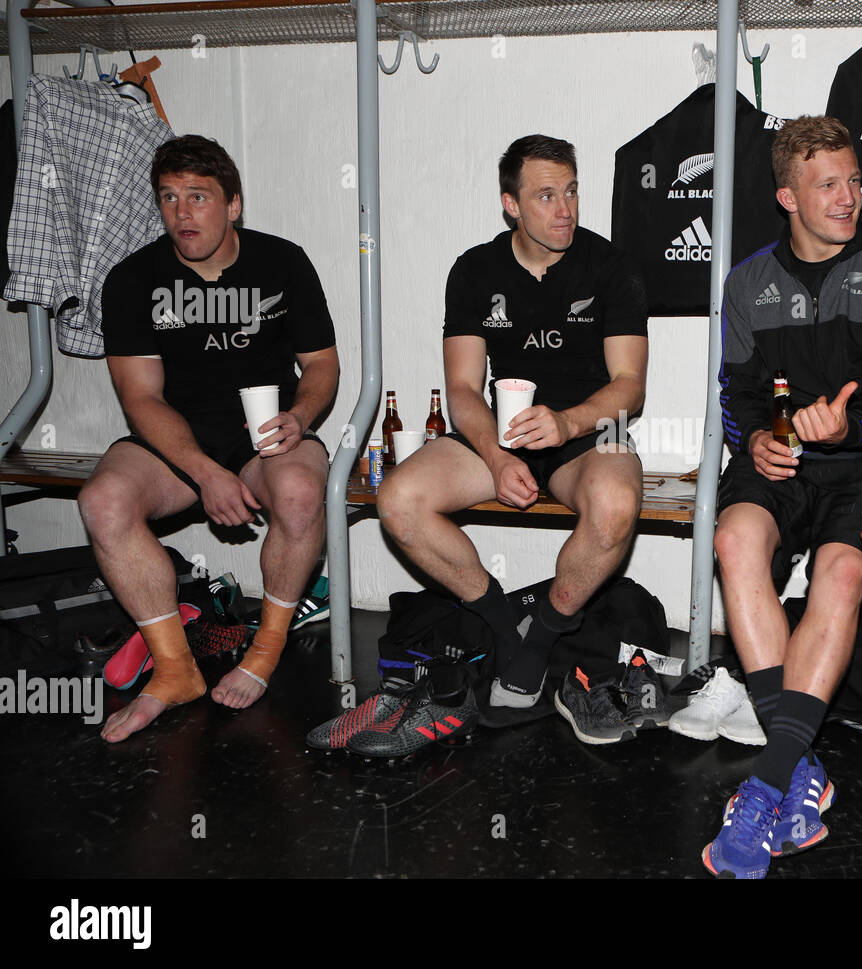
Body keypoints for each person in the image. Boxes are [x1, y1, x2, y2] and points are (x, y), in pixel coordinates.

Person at [702, 115, 862, 878]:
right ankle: (800, 769)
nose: (850, 196)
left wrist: (848, 426)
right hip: (782, 458)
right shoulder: (749, 281)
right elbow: (737, 395)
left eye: (855, 180)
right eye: (830, 184)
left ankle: (771, 777)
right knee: (734, 539)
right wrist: (755, 439)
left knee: (844, 574)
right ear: (788, 195)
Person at [81, 135, 339, 743]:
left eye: (198, 197)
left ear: (234, 205)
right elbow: (140, 397)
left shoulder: (284, 262)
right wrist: (202, 470)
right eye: (169, 198)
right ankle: (174, 670)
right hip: (176, 444)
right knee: (102, 502)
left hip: (265, 434)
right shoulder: (132, 278)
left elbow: (322, 365)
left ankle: (267, 648)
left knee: (301, 491)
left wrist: (300, 417)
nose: (183, 213)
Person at [377, 134, 648, 712]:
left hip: (588, 433)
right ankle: (505, 626)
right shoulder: (474, 270)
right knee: (399, 500)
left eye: (571, 191)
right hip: (501, 434)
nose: (565, 209)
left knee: (617, 507)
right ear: (511, 204)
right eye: (546, 195)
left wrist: (569, 421)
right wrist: (498, 457)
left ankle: (543, 636)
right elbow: (462, 390)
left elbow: (629, 386)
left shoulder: (610, 266)